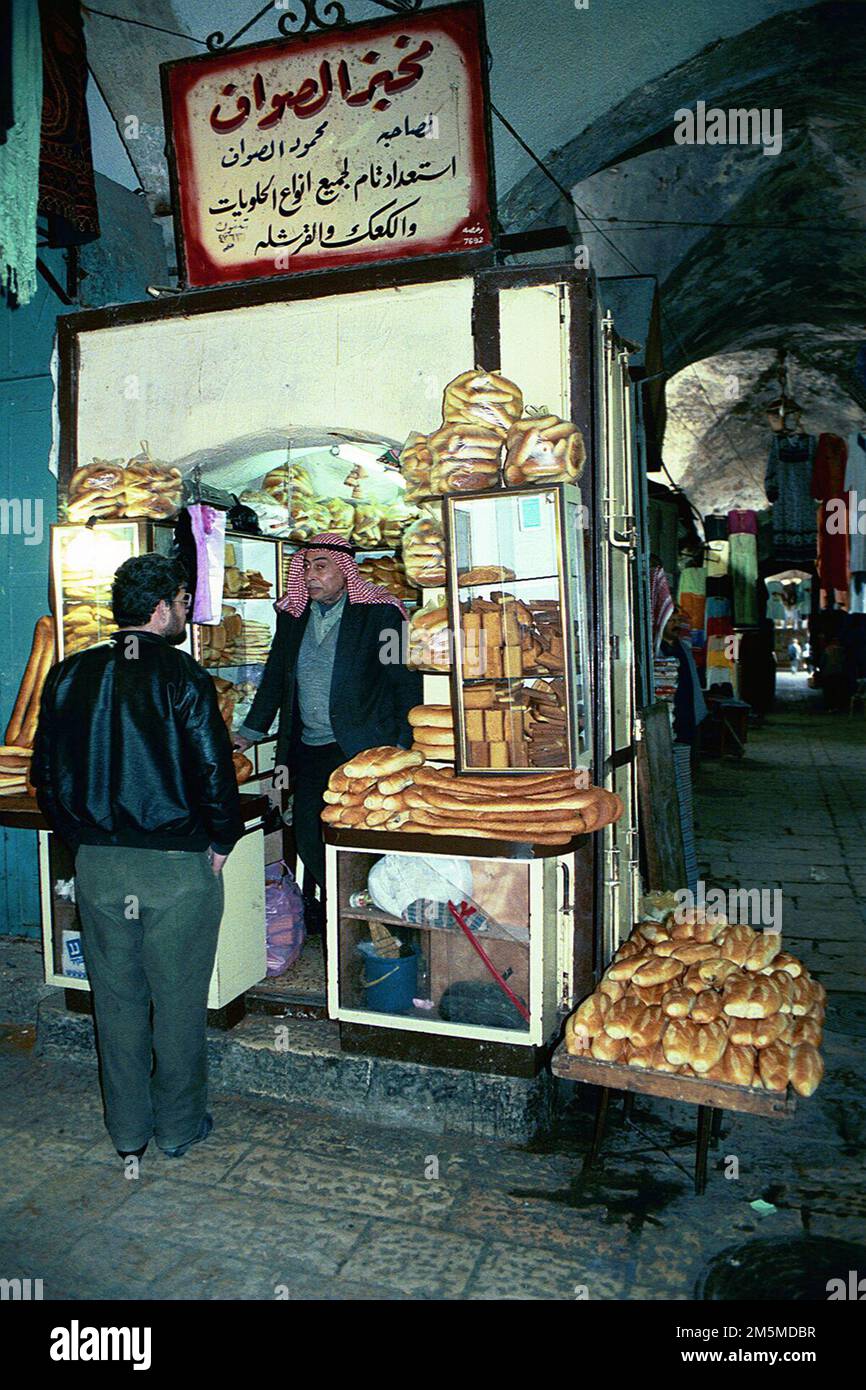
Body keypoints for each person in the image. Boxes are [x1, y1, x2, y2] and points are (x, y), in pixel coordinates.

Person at [31, 554, 243, 1161]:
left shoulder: (70, 675)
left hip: (99, 866)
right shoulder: (183, 676)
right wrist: (223, 840)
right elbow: (213, 771)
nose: (184, 612)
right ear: (161, 608)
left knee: (115, 1003)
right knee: (177, 1006)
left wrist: (81, 841)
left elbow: (46, 775)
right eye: (182, 601)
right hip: (177, 869)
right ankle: (177, 1127)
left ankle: (128, 1131)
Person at [234, 532, 422, 899]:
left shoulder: (381, 614)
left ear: (346, 571)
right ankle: (344, 903)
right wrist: (249, 732)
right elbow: (274, 677)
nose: (309, 576)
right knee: (308, 833)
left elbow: (403, 680)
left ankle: (378, 913)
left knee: (364, 835)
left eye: (321, 567)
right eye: (305, 567)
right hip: (309, 748)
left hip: (362, 748)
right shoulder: (293, 617)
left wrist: (403, 744)